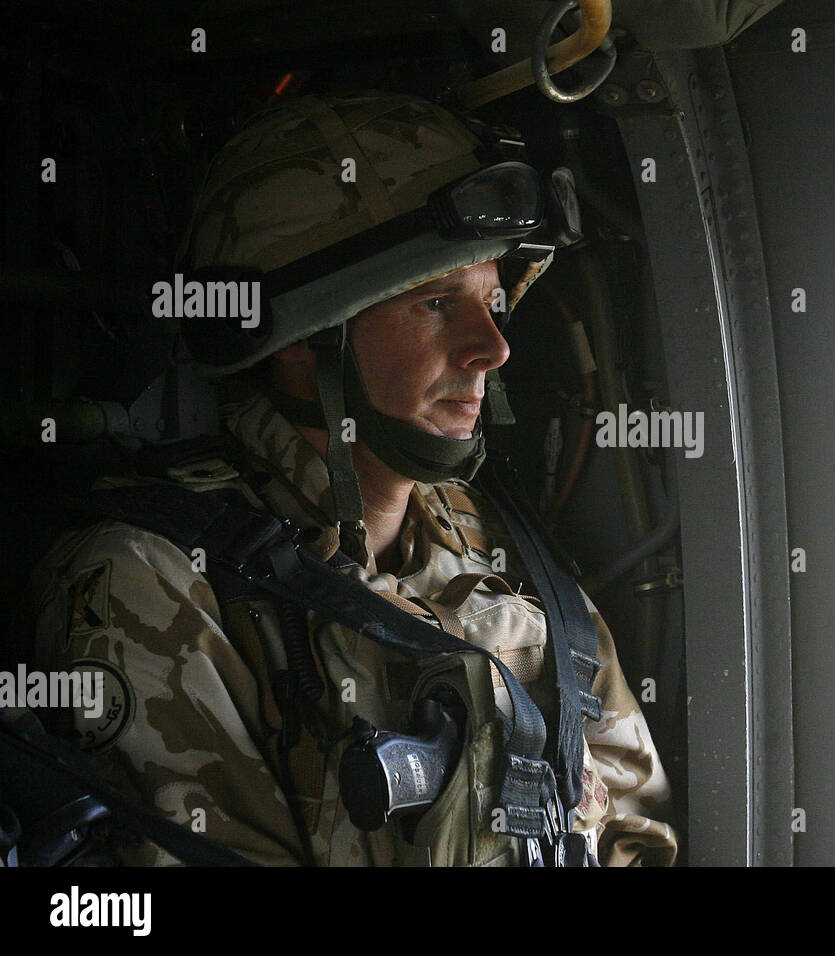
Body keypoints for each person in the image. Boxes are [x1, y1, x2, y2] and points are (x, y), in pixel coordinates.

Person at [24, 91, 678, 867]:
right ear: (304, 341)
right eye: (437, 304)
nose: (493, 347)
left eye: (492, 300)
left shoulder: (497, 541)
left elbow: (641, 834)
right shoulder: (154, 582)